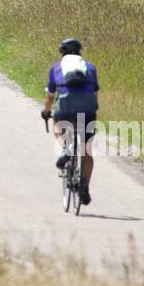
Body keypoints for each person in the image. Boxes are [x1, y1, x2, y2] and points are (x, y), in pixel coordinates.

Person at [40, 36, 100, 206]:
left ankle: (67, 148)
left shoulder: (56, 68)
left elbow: (50, 97)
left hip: (66, 106)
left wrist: (46, 111)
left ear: (62, 52)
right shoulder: (90, 67)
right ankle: (85, 188)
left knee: (58, 127)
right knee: (87, 150)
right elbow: (95, 93)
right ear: (79, 51)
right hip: (88, 109)